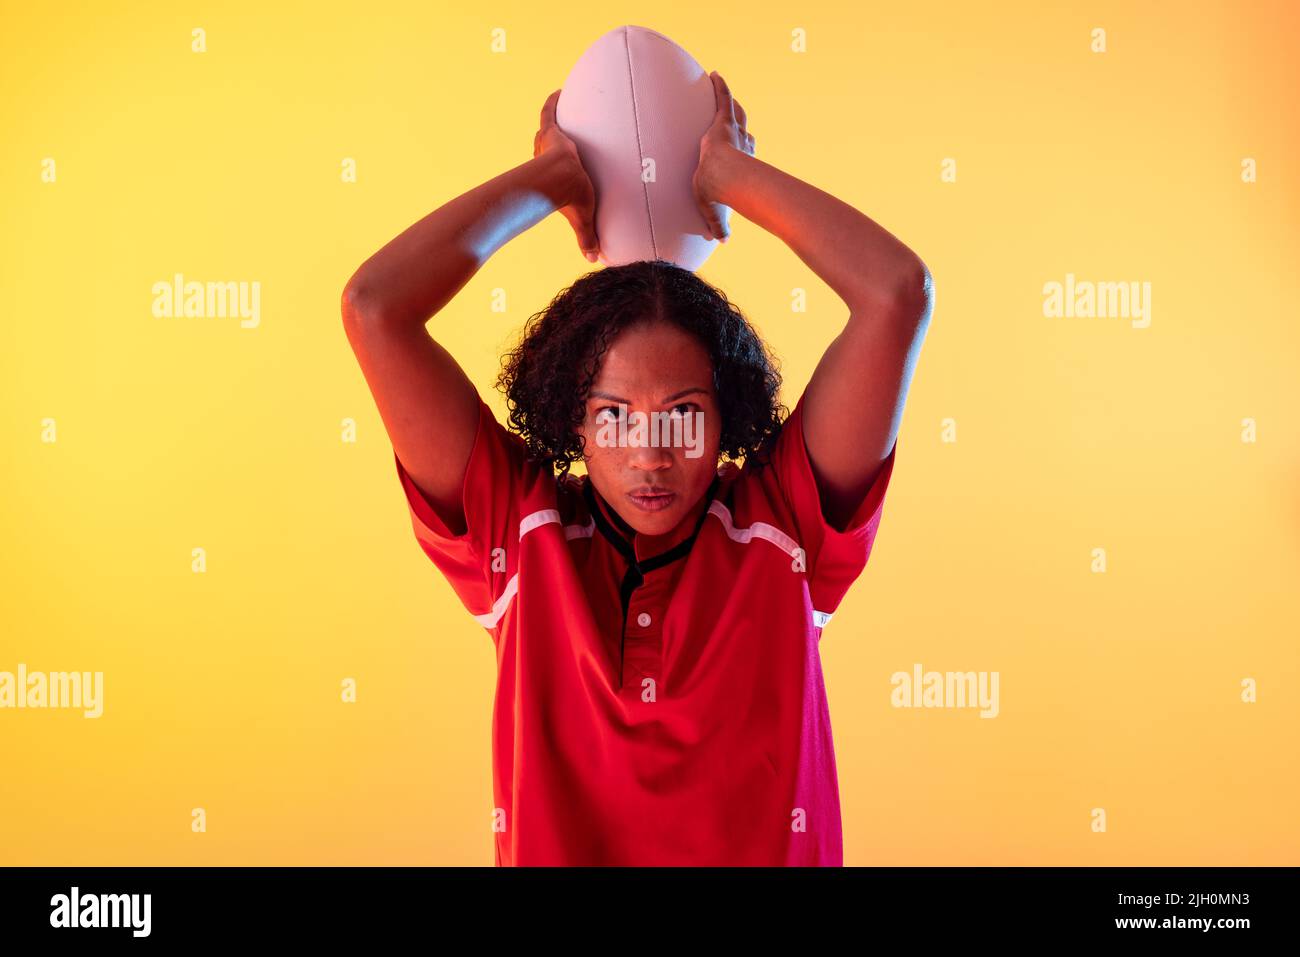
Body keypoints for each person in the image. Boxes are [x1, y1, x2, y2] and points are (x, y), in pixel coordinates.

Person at [341, 72, 934, 865]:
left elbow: (897, 293)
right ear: (574, 419)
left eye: (685, 413)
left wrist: (730, 178)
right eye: (616, 415)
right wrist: (549, 180)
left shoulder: (785, 525)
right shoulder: (518, 532)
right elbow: (374, 307)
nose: (650, 452)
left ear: (727, 417)